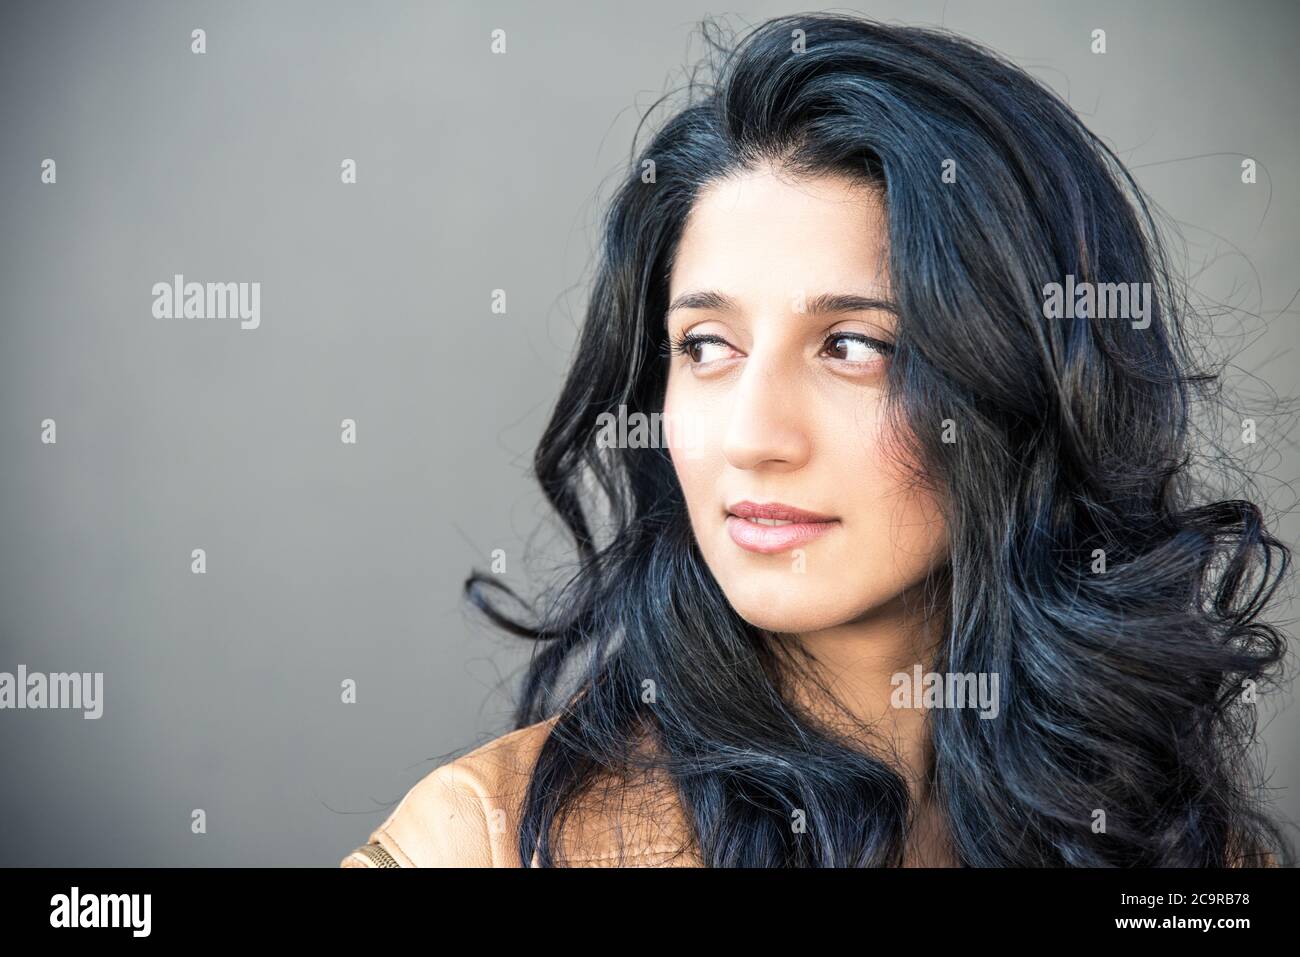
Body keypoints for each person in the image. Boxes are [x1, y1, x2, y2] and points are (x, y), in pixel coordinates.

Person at [342, 12, 1291, 868]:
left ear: (1023, 389)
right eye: (706, 345)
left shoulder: (1186, 855)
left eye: (851, 346)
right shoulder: (480, 841)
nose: (752, 438)